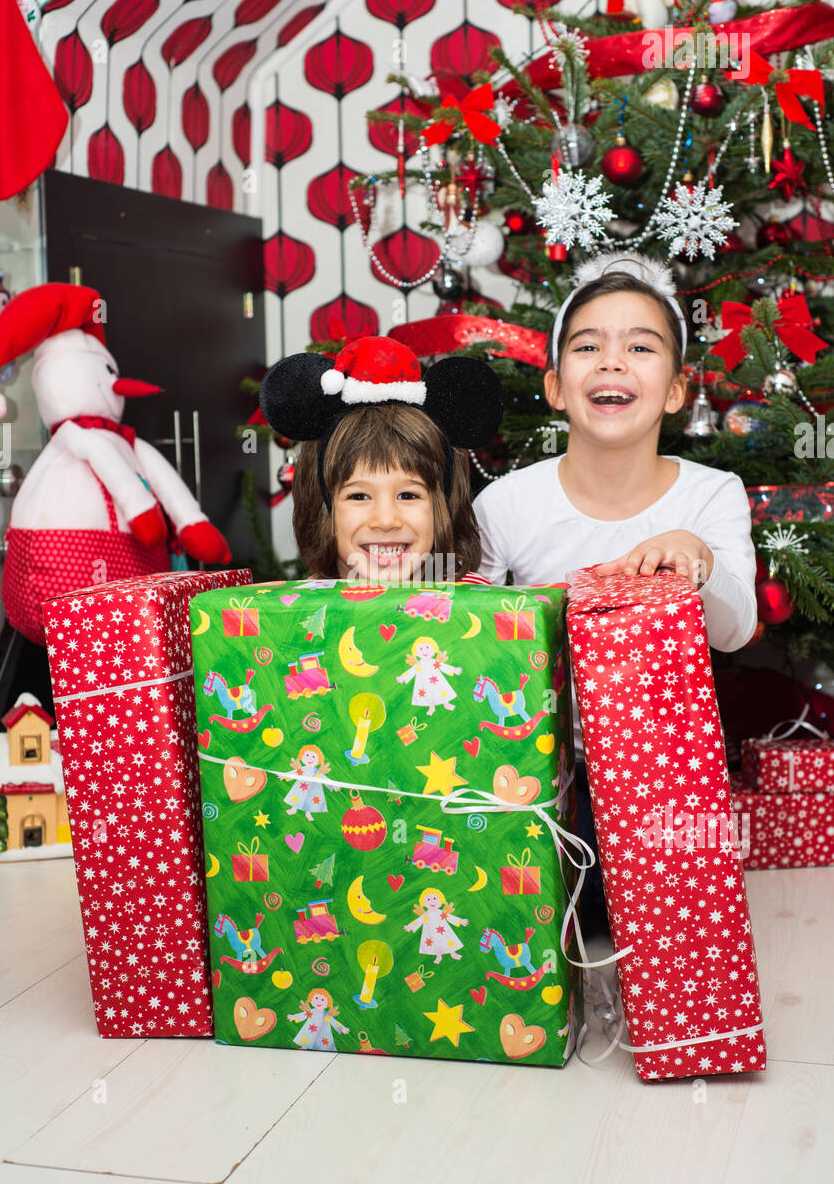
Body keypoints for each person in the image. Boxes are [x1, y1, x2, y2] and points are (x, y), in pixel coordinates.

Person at [473, 253, 758, 933]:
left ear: (674, 392)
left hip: (660, 769)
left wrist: (698, 558)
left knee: (665, 928)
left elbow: (736, 629)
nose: (611, 362)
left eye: (639, 346)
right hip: (535, 769)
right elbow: (467, 630)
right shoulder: (506, 503)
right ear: (553, 385)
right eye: (587, 347)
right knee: (528, 916)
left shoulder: (710, 495)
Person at [258, 334, 503, 585]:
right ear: (322, 507)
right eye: (359, 496)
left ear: (445, 505)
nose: (386, 521)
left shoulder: (483, 612)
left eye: (408, 495)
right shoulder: (291, 611)